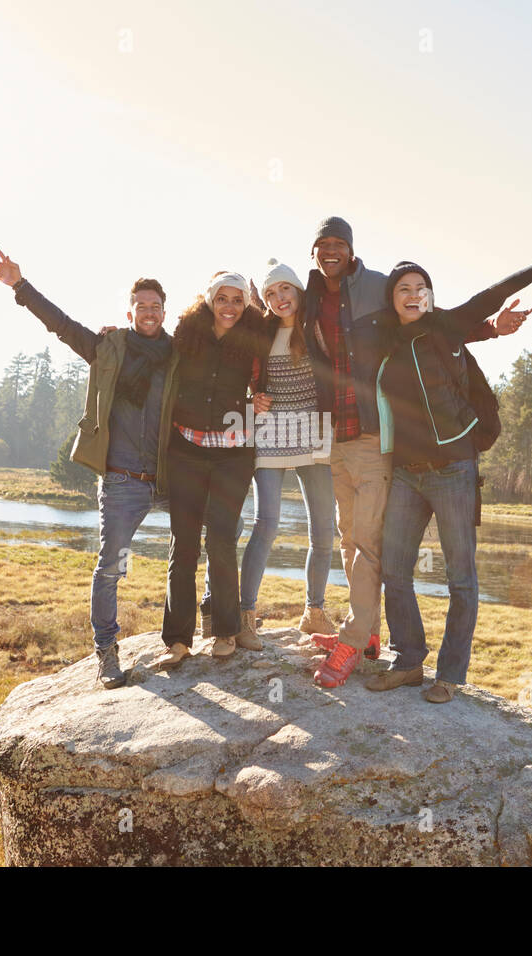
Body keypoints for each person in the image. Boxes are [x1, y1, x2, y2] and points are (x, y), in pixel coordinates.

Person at [369, 243, 532, 702]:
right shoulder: (381, 341)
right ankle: (409, 660)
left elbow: (494, 294)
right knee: (394, 570)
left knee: (461, 577)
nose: (413, 295)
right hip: (405, 473)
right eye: (403, 289)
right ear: (391, 299)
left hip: (454, 469)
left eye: (421, 288)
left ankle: (450, 675)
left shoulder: (447, 326)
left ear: (431, 296)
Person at [0, 246, 176, 690]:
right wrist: (20, 285)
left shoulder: (178, 356)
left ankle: (185, 634)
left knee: (202, 542)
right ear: (129, 312)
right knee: (111, 566)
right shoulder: (108, 348)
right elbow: (61, 325)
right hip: (122, 478)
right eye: (141, 306)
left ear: (165, 311)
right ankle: (107, 653)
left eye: (156, 306)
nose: (149, 313)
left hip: (169, 476)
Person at [297, 217, 397, 688]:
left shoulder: (378, 286)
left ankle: (353, 640)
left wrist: (490, 328)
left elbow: (432, 317)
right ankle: (368, 632)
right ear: (314, 251)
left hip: (373, 435)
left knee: (367, 543)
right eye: (322, 244)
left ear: (352, 250)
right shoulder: (312, 295)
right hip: (335, 433)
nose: (330, 250)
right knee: (346, 536)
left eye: (338, 244)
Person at [153, 272, 269, 670]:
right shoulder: (187, 335)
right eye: (223, 298)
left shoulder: (255, 339)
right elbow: (153, 354)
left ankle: (225, 630)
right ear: (208, 301)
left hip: (233, 455)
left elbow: (268, 374)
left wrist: (262, 396)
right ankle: (177, 640)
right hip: (185, 449)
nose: (230, 307)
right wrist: (118, 333)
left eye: (238, 300)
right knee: (183, 544)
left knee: (220, 540)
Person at [235, 259, 338, 646]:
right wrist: (251, 398)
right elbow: (238, 376)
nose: (280, 298)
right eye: (272, 293)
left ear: (298, 291)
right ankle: (246, 615)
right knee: (267, 523)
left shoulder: (319, 329)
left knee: (324, 530)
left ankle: (313, 611)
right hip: (271, 434)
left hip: (314, 434)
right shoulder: (260, 334)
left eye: (285, 290)